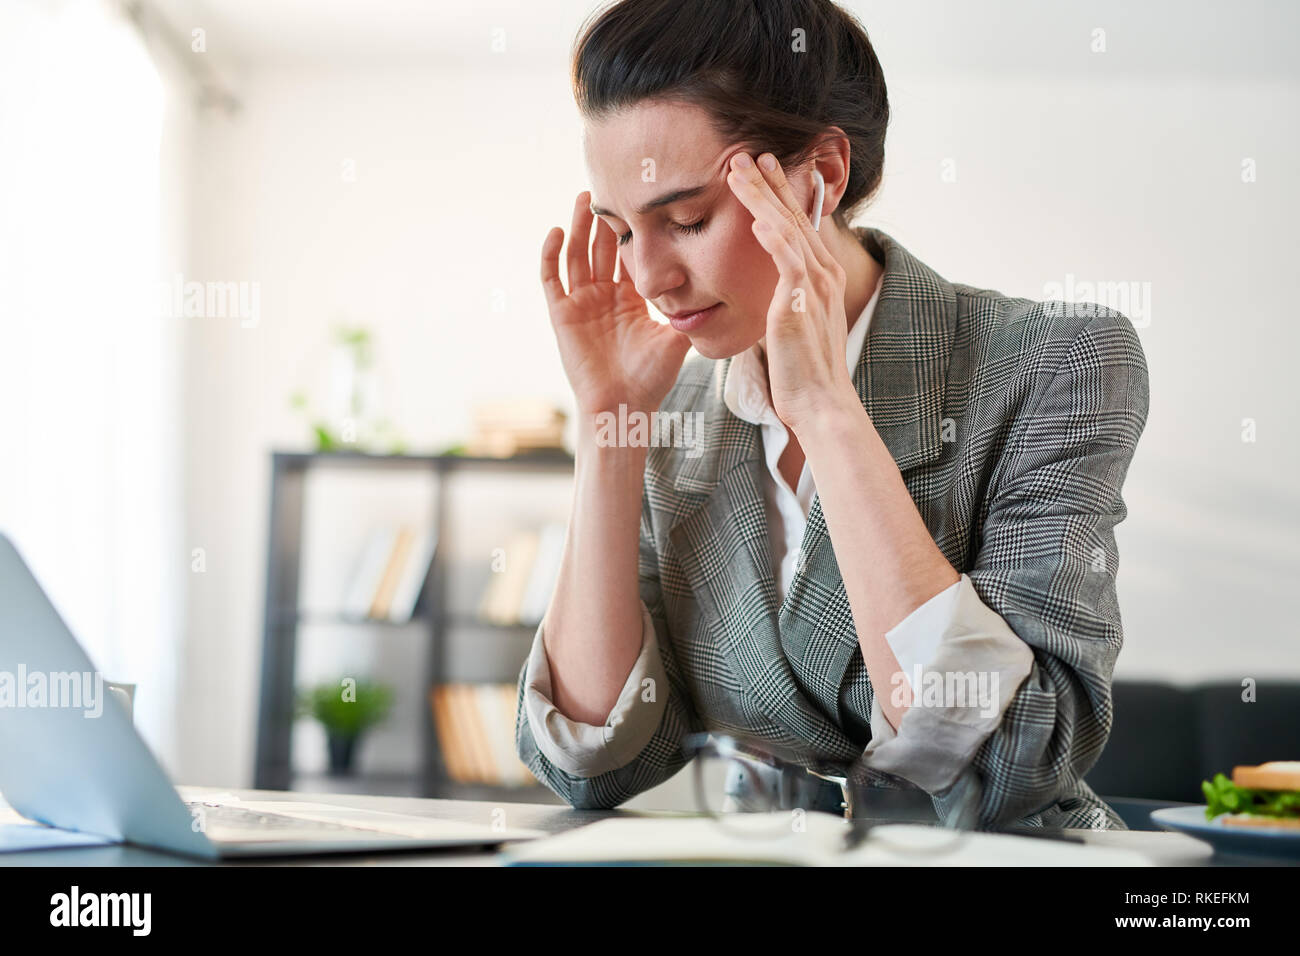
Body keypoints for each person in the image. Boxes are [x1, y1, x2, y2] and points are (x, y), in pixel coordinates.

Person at [513, 0, 1149, 830]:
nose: (651, 278)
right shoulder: (667, 411)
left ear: (820, 178)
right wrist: (608, 427)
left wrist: (826, 412)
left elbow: (1017, 757)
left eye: (687, 220)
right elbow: (596, 763)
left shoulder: (1053, 362)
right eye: (622, 231)